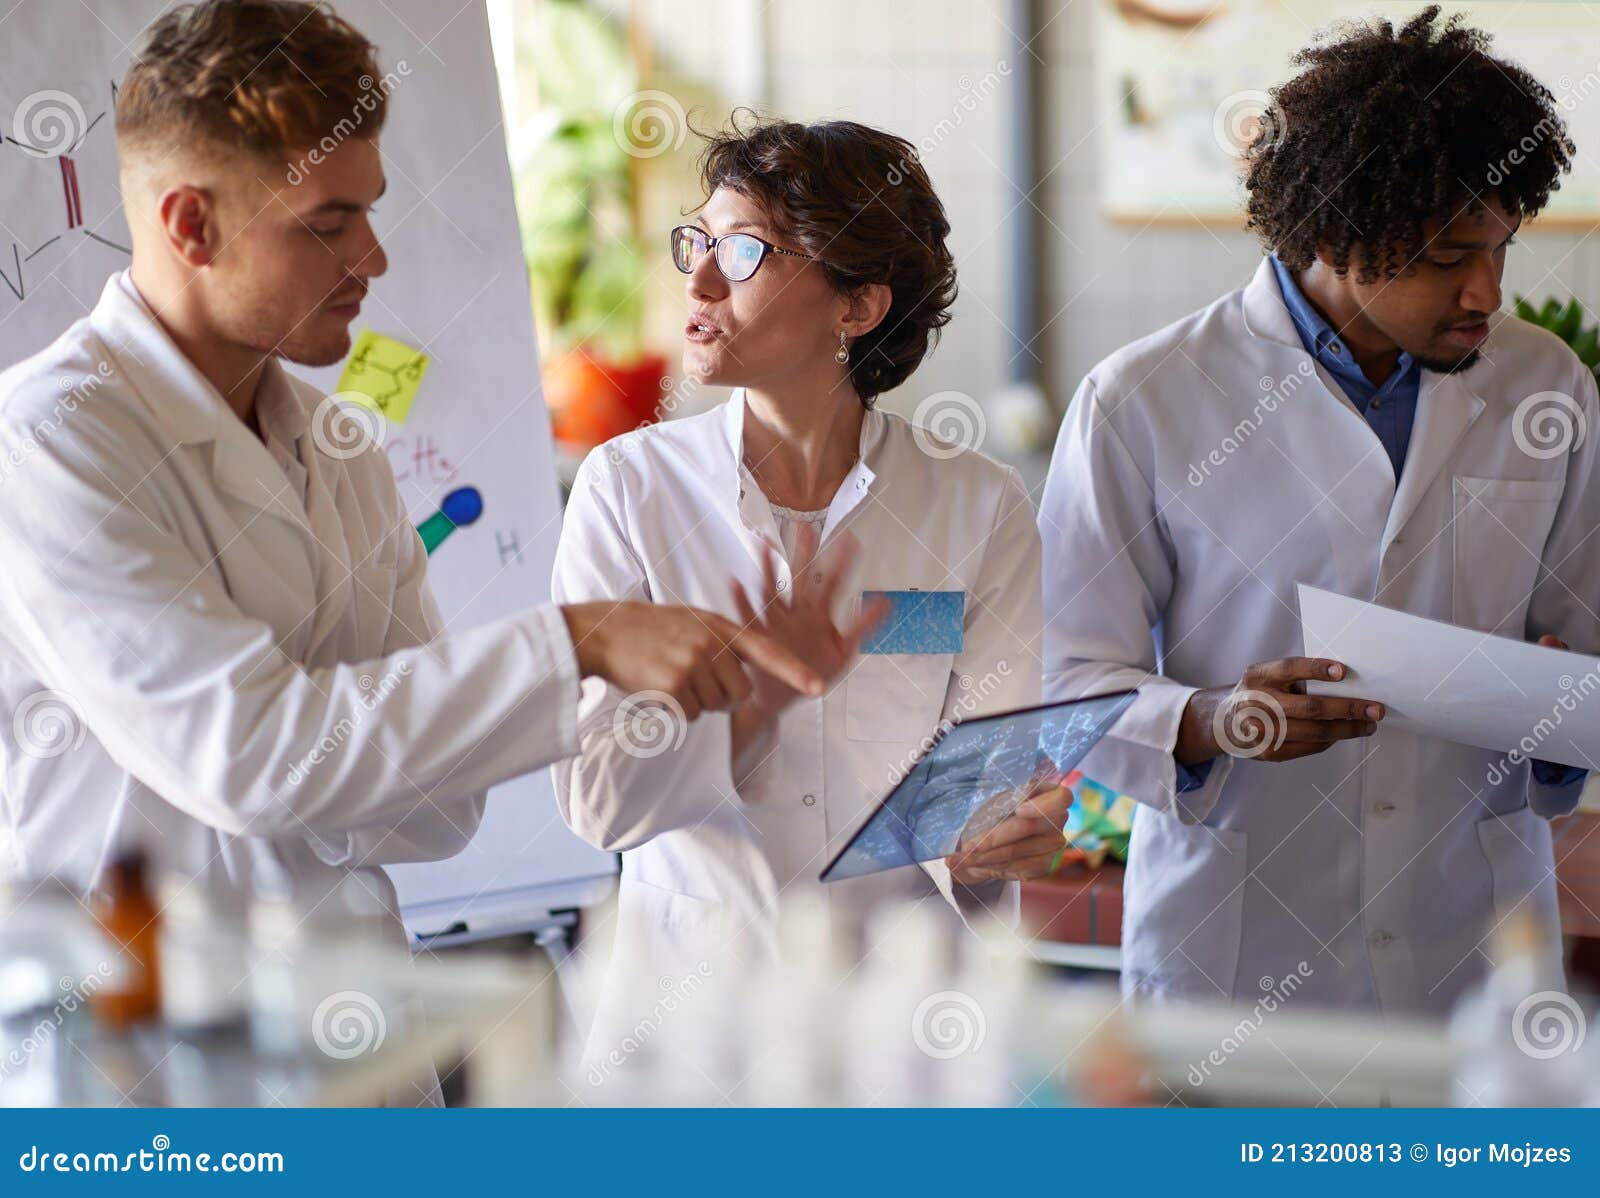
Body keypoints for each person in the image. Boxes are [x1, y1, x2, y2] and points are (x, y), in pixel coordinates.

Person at [0, 3, 820, 934]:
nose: (373, 258)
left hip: (348, 993)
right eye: (329, 224)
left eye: (369, 213)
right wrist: (574, 643)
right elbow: (249, 759)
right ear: (191, 224)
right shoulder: (48, 444)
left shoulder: (334, 447)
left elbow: (435, 814)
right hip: (128, 1014)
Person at [1040, 7, 1600, 1012]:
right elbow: (1062, 680)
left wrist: (1561, 712)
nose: (1486, 292)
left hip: (1469, 944)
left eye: (1501, 247)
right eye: (1448, 257)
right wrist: (1212, 721)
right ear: (1338, 234)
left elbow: (1584, 644)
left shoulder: (1546, 387)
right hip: (1235, 953)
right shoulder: (1144, 398)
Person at [552, 116, 1058, 1067]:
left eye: (743, 251)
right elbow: (598, 804)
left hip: (901, 1013)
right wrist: (751, 694)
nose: (699, 282)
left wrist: (1001, 843)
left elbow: (985, 801)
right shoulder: (629, 490)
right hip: (687, 1013)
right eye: (698, 242)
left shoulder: (977, 505)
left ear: (856, 307)